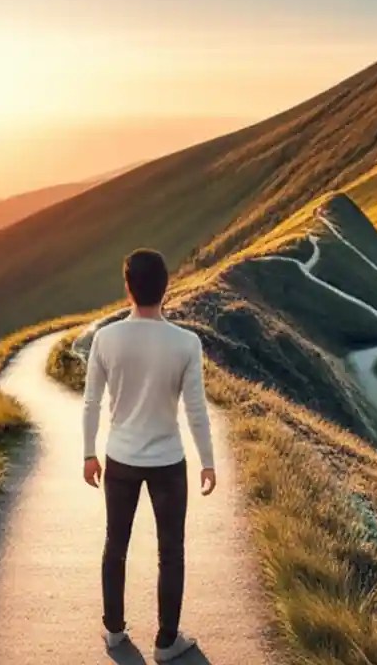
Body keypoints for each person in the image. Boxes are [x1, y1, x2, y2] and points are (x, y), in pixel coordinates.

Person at [81, 248, 216, 662]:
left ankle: (115, 631)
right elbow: (195, 409)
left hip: (119, 458)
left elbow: (91, 404)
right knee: (170, 550)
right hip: (168, 463)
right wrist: (208, 461)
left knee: (115, 544)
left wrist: (89, 454)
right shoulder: (187, 343)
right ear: (166, 287)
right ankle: (167, 642)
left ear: (128, 289)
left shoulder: (106, 338)